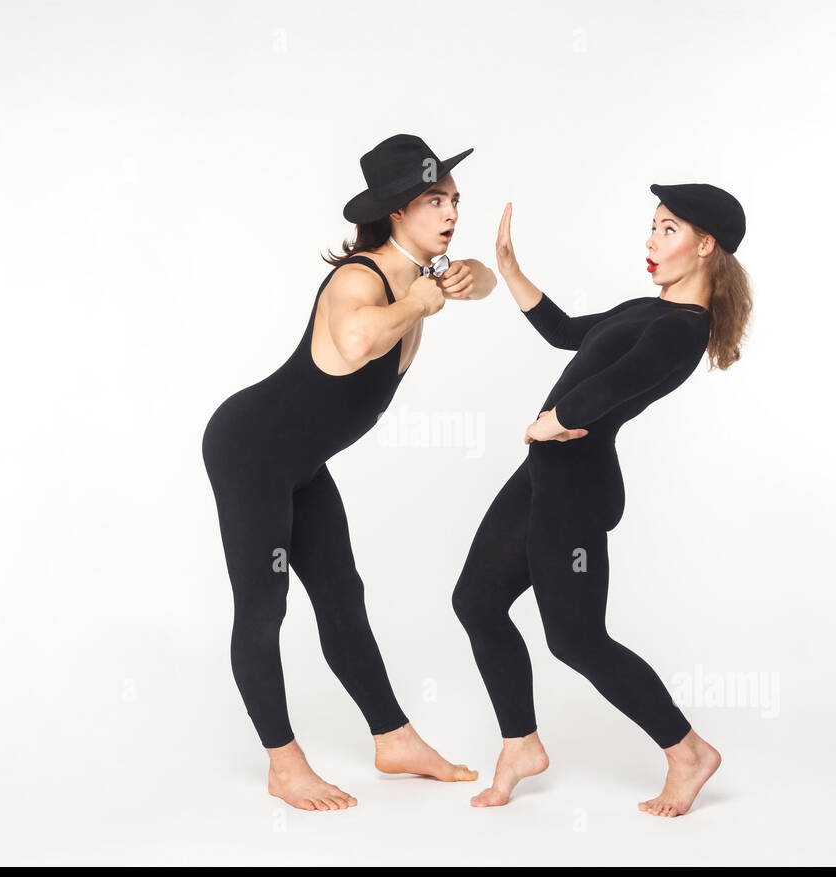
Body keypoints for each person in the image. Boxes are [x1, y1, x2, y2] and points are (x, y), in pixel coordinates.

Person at [202, 134, 497, 810]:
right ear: (396, 213)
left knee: (342, 595)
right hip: (250, 449)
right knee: (263, 606)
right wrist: (420, 304)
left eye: (453, 200)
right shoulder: (361, 278)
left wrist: (469, 276)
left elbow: (477, 280)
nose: (450, 213)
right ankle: (284, 764)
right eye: (433, 200)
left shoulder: (425, 272)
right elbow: (358, 338)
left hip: (303, 463)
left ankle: (393, 738)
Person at [452, 183, 751, 815]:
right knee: (476, 601)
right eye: (653, 226)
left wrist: (552, 419)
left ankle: (687, 751)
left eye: (668, 230)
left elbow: (614, 386)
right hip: (543, 476)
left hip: (576, 491)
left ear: (705, 246)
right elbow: (565, 333)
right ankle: (521, 744)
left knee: (577, 640)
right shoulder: (646, 309)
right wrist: (509, 270)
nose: (651, 239)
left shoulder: (683, 330)